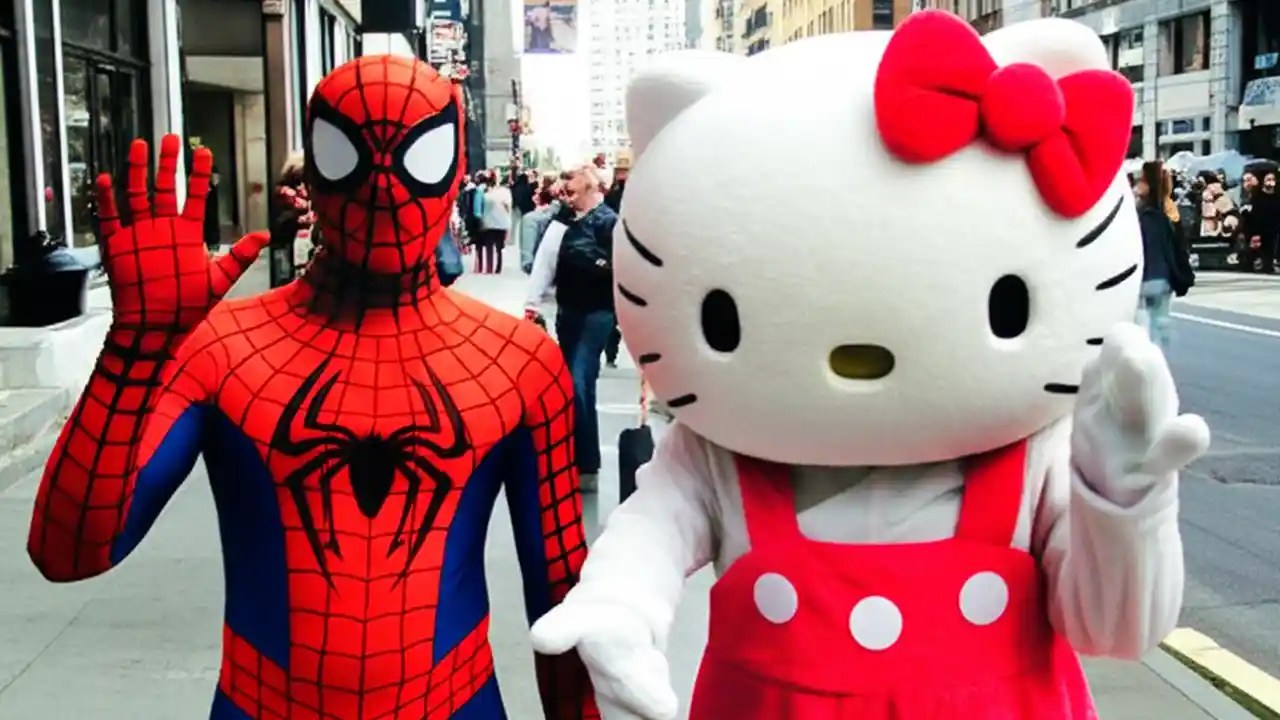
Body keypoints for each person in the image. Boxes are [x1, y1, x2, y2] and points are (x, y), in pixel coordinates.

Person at [529, 13, 1209, 720]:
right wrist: (618, 608)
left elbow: (1116, 631)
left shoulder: (1038, 455)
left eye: (1010, 305)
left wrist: (1123, 506)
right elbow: (648, 537)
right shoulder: (713, 458)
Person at [26, 57, 598, 719]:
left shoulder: (518, 362)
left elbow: (562, 599)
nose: (383, 188)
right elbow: (68, 552)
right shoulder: (225, 348)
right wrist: (137, 347)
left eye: (416, 157)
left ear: (453, 165)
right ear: (314, 175)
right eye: (350, 155)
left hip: (452, 697)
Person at [524, 164, 618, 492]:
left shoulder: (609, 223)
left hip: (598, 313)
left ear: (592, 191)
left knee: (580, 380)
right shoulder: (561, 222)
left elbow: (621, 269)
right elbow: (545, 261)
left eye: (573, 193)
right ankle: (577, 460)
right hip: (569, 312)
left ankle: (587, 464)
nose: (567, 199)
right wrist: (532, 304)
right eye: (565, 193)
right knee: (570, 384)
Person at [1134, 161, 1194, 349]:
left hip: (1144, 276)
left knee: (1143, 322)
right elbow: (1178, 243)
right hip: (1164, 276)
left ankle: (1151, 356)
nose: (1136, 187)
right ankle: (1160, 352)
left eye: (1140, 182)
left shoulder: (1141, 213)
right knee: (1160, 320)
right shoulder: (1168, 210)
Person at [476, 171, 511, 274]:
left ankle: (489, 268)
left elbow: (482, 208)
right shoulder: (505, 192)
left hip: (488, 222)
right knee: (499, 247)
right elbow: (508, 207)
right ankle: (498, 267)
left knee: (489, 246)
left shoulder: (484, 193)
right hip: (501, 222)